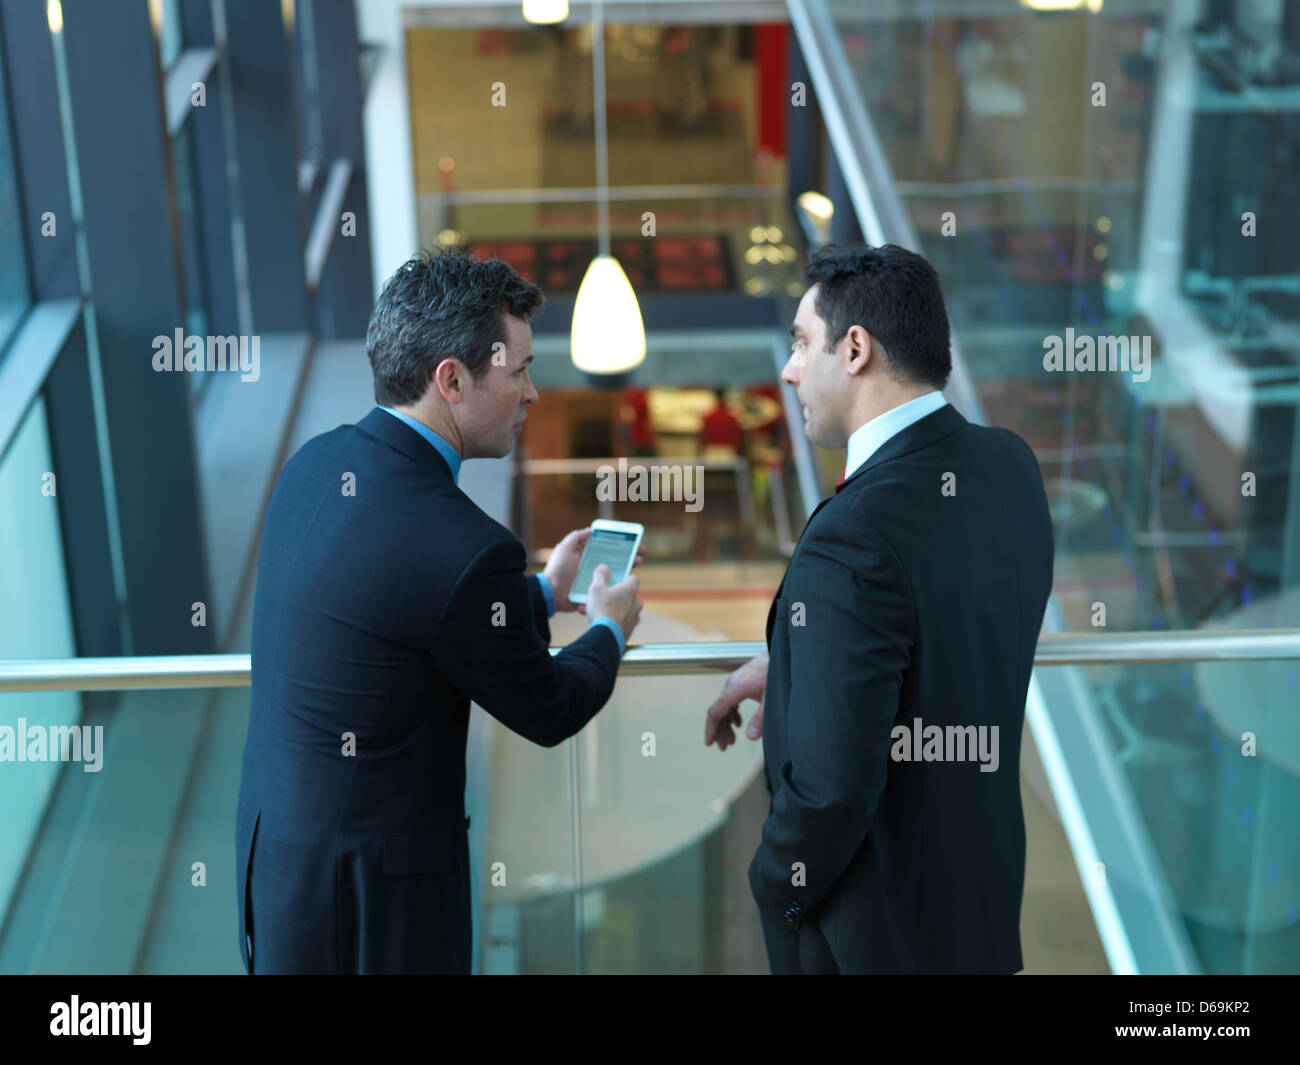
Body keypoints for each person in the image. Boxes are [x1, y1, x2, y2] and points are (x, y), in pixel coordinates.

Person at [236, 247, 643, 974]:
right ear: (452, 379)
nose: (533, 395)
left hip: (278, 866)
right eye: (518, 370)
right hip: (374, 909)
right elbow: (548, 706)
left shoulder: (314, 464)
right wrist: (610, 624)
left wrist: (545, 592)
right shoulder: (466, 545)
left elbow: (395, 612)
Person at [704, 243, 1053, 975]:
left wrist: (773, 886)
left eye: (801, 343)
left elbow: (832, 793)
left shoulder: (853, 535)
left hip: (872, 941)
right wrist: (801, 661)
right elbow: (945, 624)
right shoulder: (1008, 465)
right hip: (979, 915)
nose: (790, 368)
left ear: (855, 348)